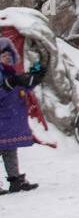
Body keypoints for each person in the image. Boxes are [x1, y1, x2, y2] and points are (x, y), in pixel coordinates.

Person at [0, 37, 45, 194]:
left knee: (10, 150)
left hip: (9, 121)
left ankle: (15, 180)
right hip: (2, 120)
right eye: (2, 55)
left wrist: (33, 78)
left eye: (8, 54)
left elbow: (21, 90)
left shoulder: (10, 73)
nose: (6, 57)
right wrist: (6, 86)